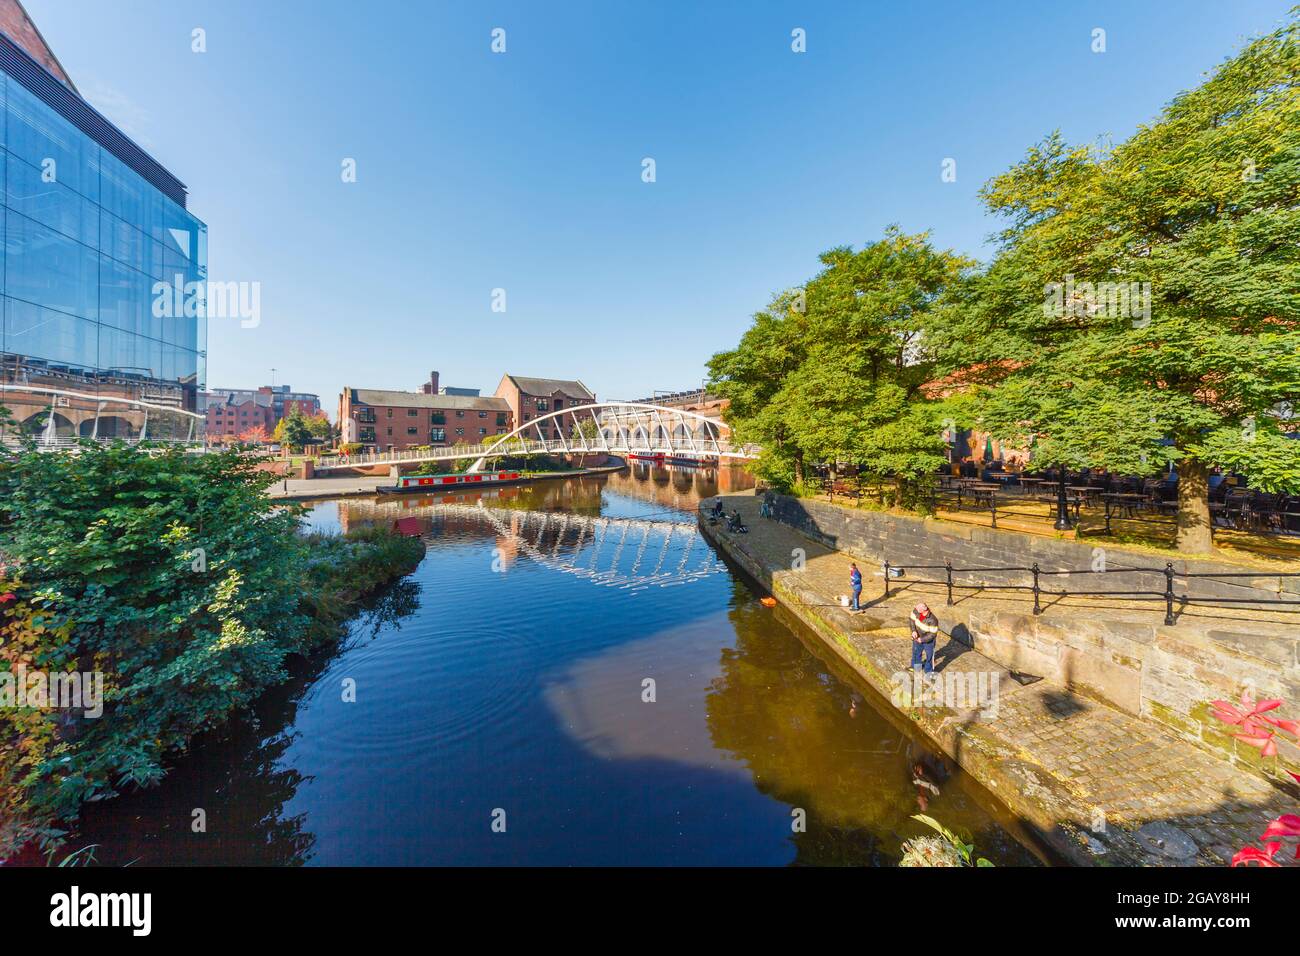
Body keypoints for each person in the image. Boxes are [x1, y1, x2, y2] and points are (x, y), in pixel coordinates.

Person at [910, 602, 940, 678]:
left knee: (929, 656)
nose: (915, 610)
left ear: (924, 609)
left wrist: (922, 639)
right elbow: (912, 620)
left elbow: (933, 634)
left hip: (928, 641)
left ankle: (928, 672)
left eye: (918, 609)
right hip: (917, 636)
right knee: (916, 653)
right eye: (916, 608)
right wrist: (913, 631)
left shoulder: (933, 620)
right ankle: (916, 668)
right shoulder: (916, 611)